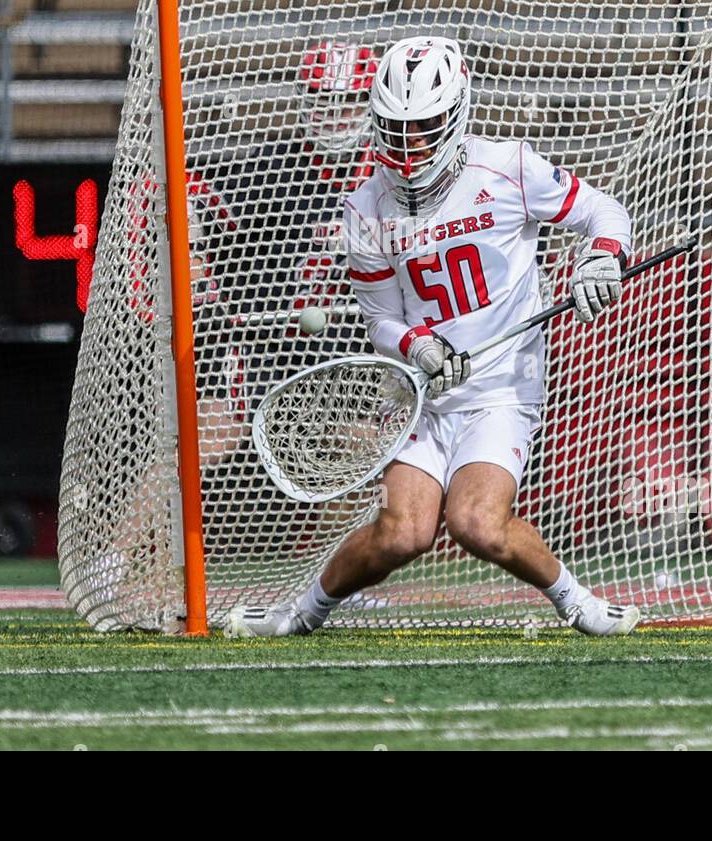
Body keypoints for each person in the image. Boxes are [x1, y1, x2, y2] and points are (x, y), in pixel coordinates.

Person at [230, 35, 639, 638]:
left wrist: (600, 260)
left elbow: (604, 213)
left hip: (501, 389)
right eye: (395, 129)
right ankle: (299, 616)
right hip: (424, 391)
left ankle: (578, 604)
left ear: (455, 116)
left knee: (477, 523)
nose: (408, 146)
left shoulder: (509, 169)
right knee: (404, 532)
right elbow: (380, 319)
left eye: (423, 127)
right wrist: (418, 346)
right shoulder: (366, 206)